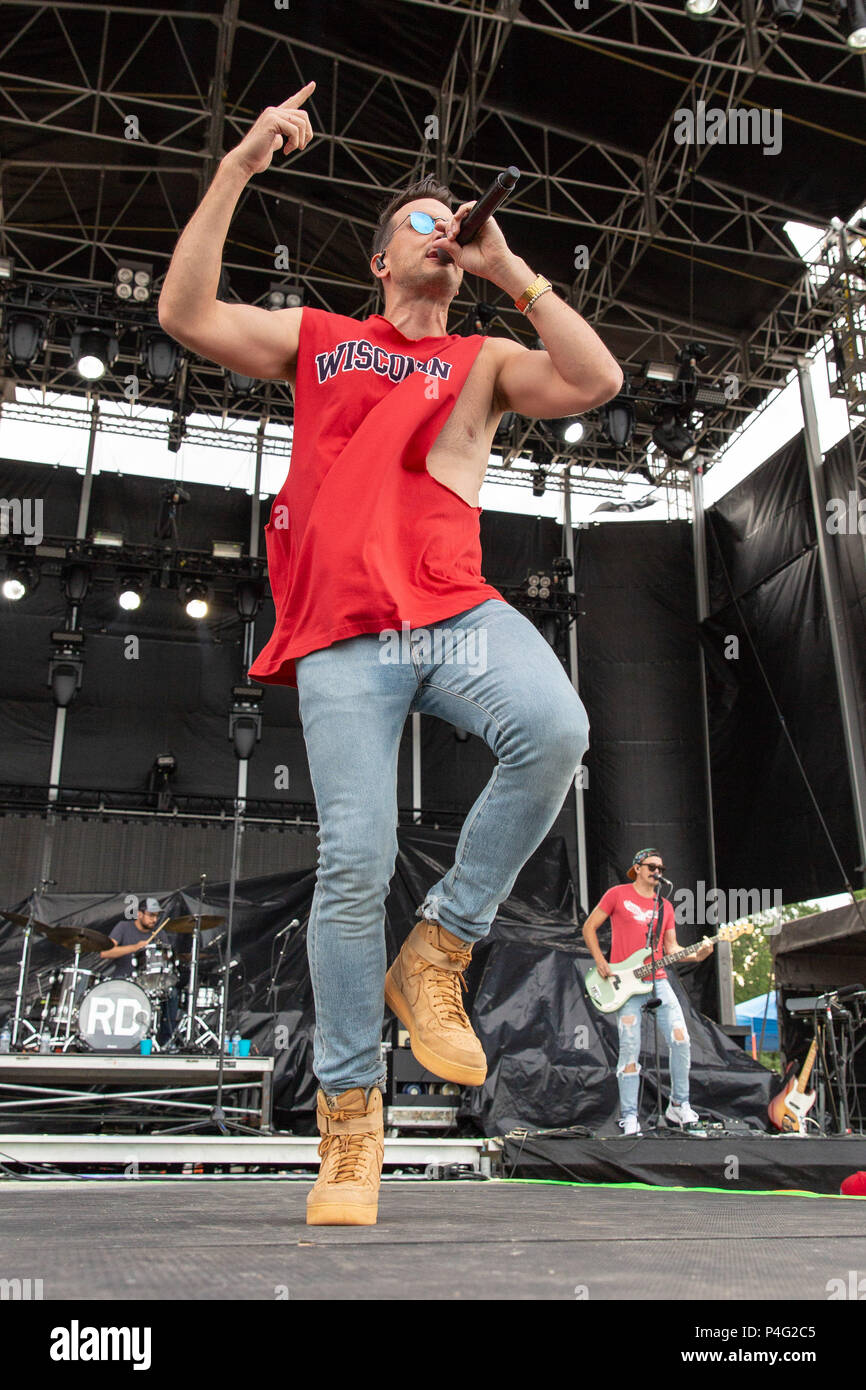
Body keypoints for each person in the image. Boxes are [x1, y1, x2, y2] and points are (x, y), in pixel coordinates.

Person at [158, 83, 623, 1225]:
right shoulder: (320, 342)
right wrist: (240, 166)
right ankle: (351, 1126)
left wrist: (512, 268)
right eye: (422, 223)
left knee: (556, 727)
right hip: (342, 637)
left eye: (449, 226)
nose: (441, 233)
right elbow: (184, 310)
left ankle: (441, 947)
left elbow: (597, 380)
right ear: (378, 262)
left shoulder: (479, 358)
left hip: (453, 608)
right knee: (353, 862)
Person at [582, 848, 714, 1135]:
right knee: (630, 1046)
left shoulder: (664, 906)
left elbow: (671, 949)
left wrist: (697, 955)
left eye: (661, 868)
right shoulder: (617, 894)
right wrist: (601, 962)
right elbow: (589, 927)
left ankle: (679, 1105)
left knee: (681, 1038)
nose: (658, 871)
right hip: (624, 983)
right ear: (638, 868)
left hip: (658, 979)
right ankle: (629, 1116)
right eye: (652, 866)